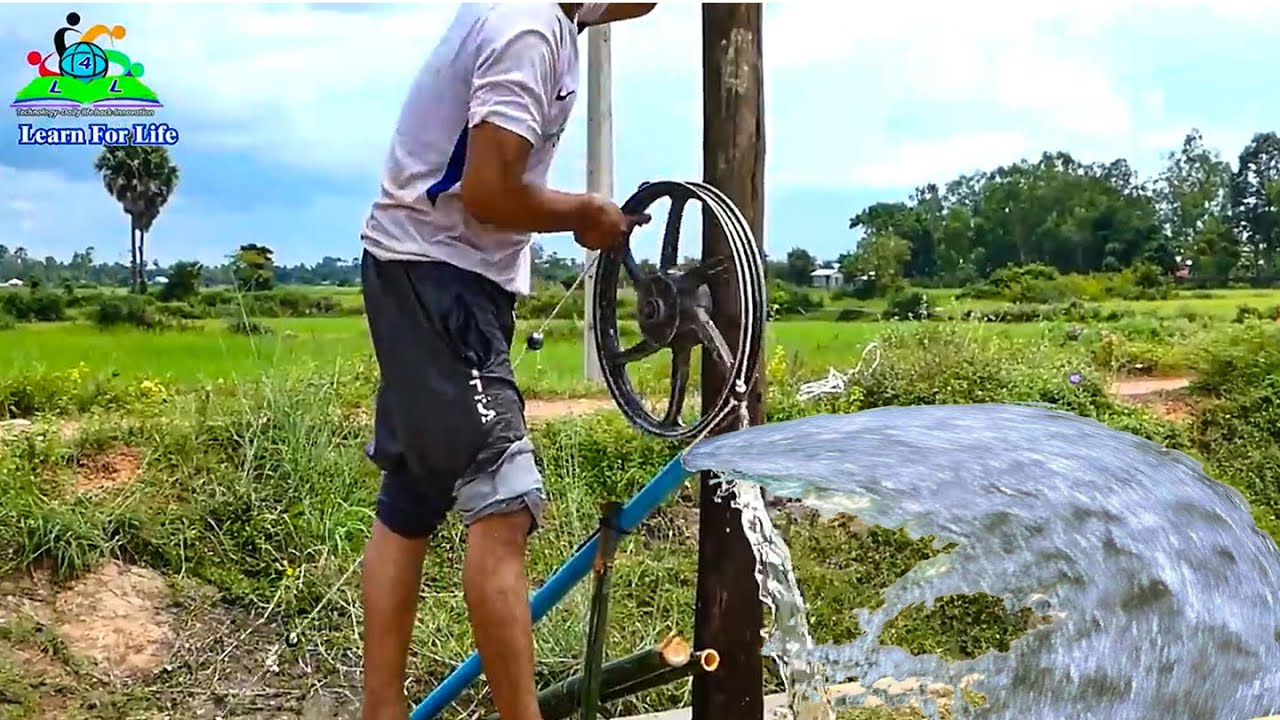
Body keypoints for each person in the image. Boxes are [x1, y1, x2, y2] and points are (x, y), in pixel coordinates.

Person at [356, 4, 657, 720]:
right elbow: (489, 192)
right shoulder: (526, 27)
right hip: (439, 277)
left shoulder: (555, 16)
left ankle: (380, 712)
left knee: (413, 497)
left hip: (434, 275)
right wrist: (585, 212)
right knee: (505, 501)